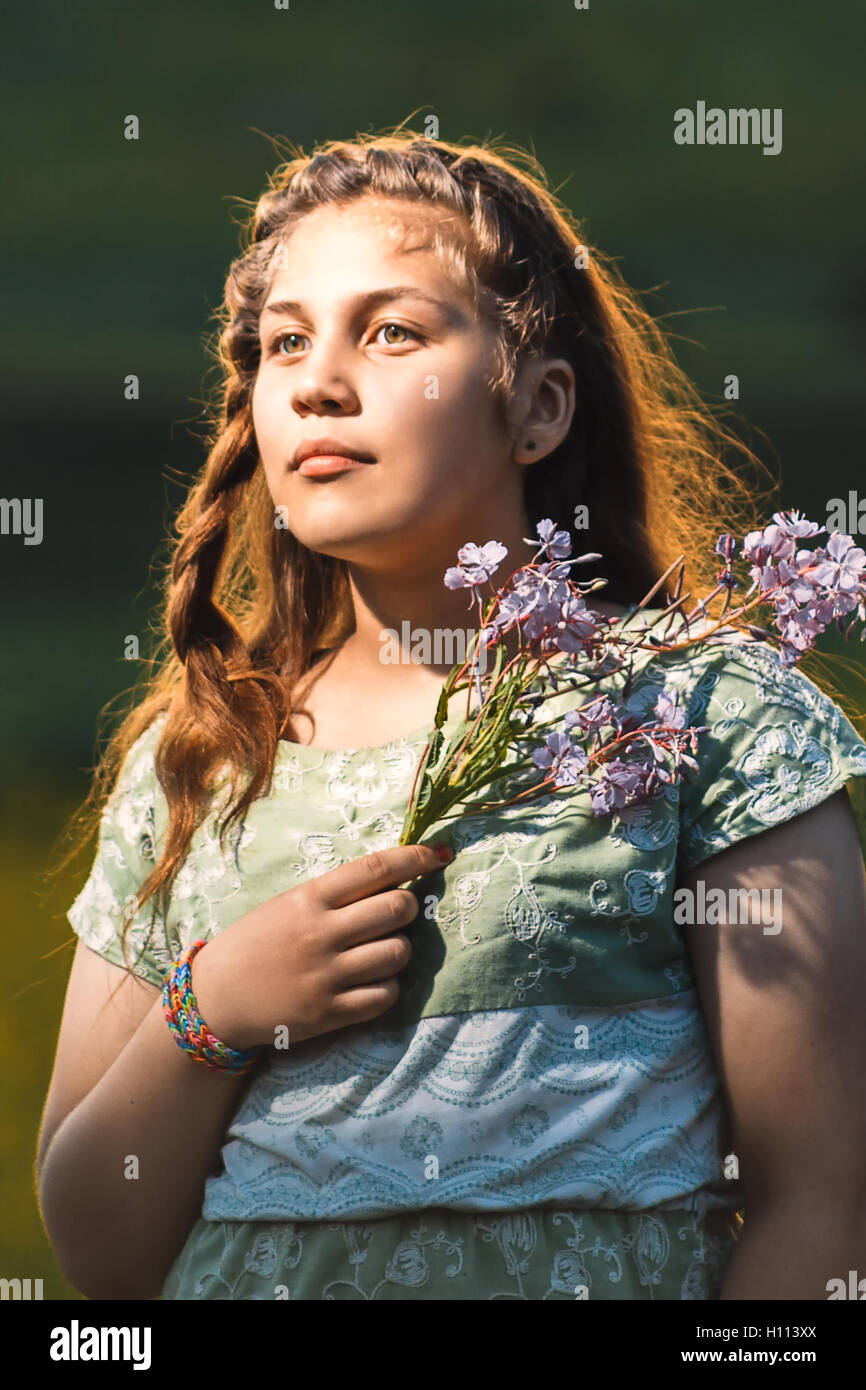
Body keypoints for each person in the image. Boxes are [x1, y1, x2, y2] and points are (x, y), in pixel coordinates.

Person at [37, 131, 866, 1300]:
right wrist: (209, 1015)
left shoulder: (701, 714)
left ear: (535, 407)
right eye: (285, 342)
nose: (319, 379)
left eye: (391, 332)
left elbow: (823, 1209)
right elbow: (98, 1251)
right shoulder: (204, 757)